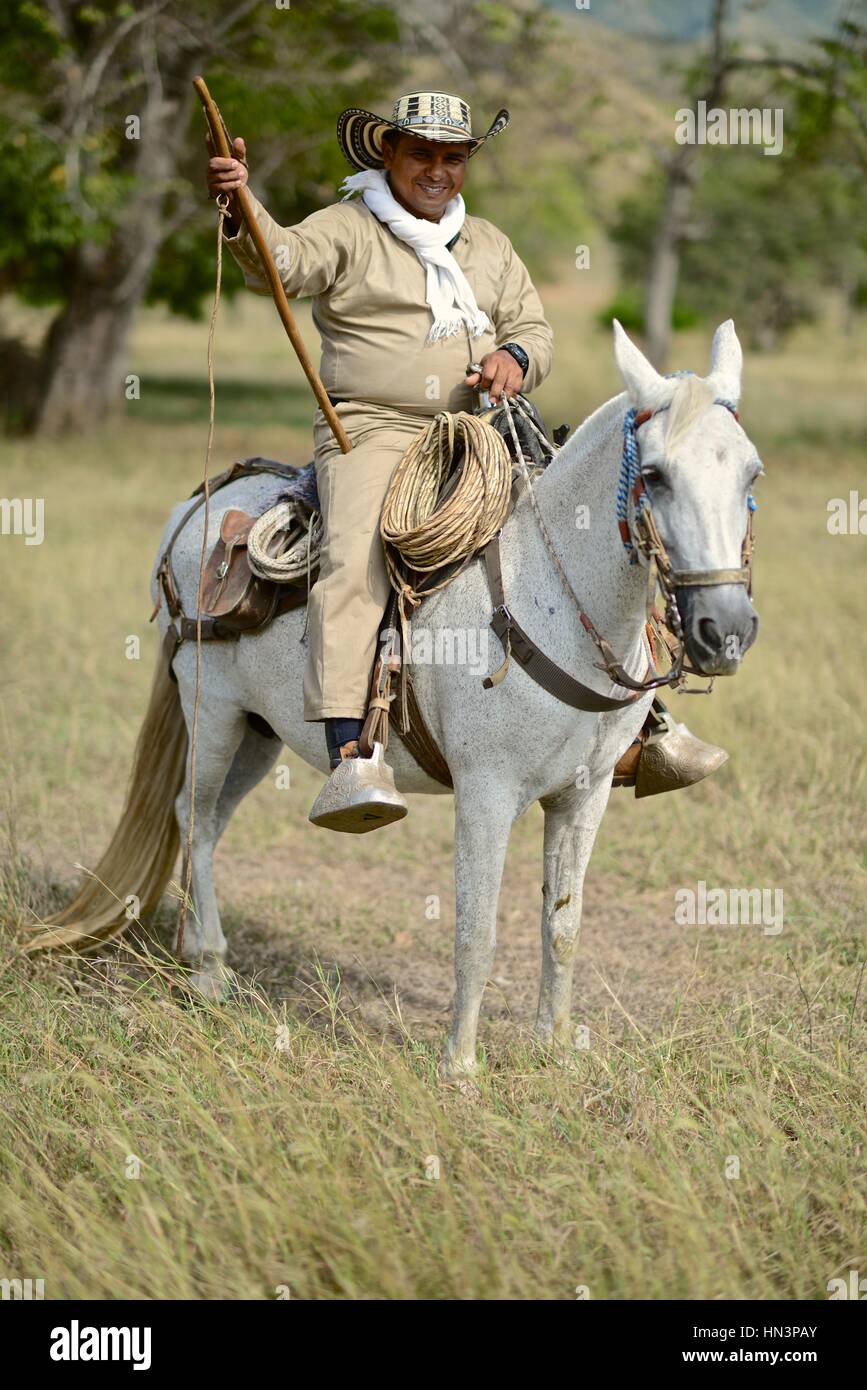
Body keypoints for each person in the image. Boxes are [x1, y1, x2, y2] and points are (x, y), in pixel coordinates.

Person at [207, 91, 726, 832]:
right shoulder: (348, 227)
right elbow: (280, 262)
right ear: (387, 152)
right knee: (355, 556)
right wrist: (240, 205)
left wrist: (515, 356)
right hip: (374, 431)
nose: (437, 170)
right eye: (421, 153)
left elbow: (534, 329)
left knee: (601, 531)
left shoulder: (487, 243)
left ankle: (644, 722)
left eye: (453, 157)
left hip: (483, 429)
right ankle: (352, 750)